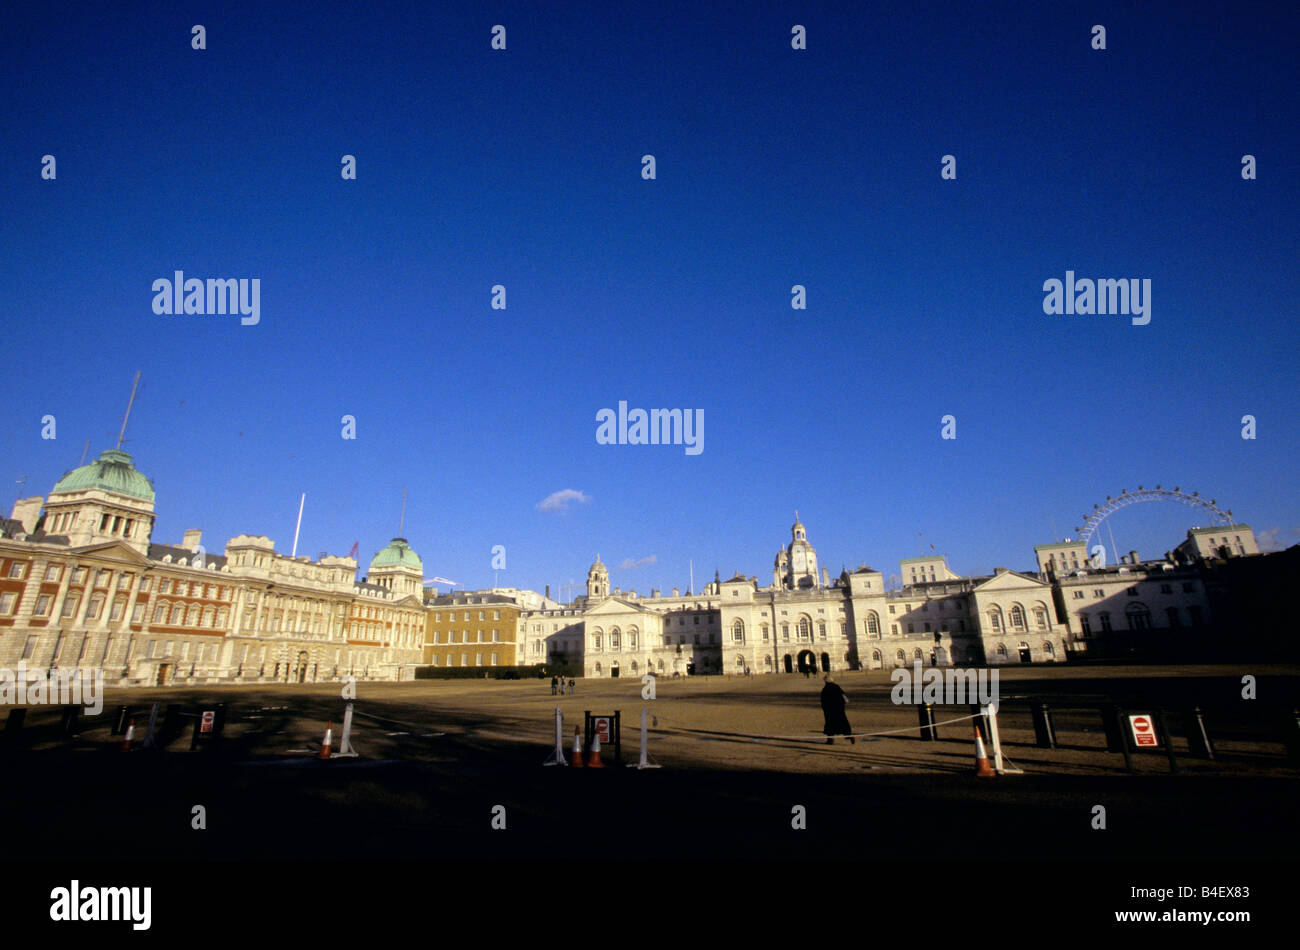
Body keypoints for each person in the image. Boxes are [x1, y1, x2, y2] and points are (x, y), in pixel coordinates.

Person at [820, 674, 855, 745]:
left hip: (830, 710)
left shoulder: (825, 689)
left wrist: (825, 708)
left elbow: (823, 700)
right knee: (843, 723)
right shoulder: (837, 687)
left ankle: (830, 740)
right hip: (839, 709)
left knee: (830, 724)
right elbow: (844, 697)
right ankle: (850, 736)